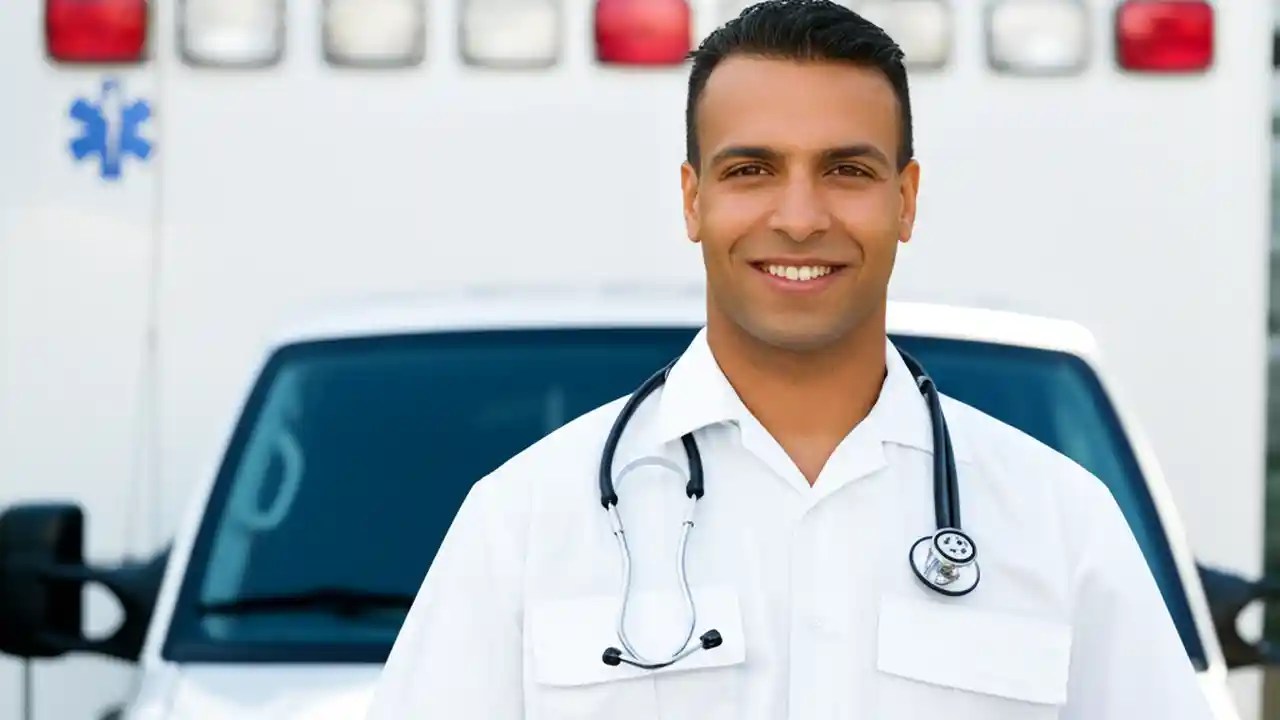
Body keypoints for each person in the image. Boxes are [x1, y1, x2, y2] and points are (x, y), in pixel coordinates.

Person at [363, 1, 1214, 717]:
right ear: (694, 200)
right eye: (752, 169)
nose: (800, 217)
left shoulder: (1062, 525)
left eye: (846, 169)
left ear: (905, 200)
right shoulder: (521, 524)